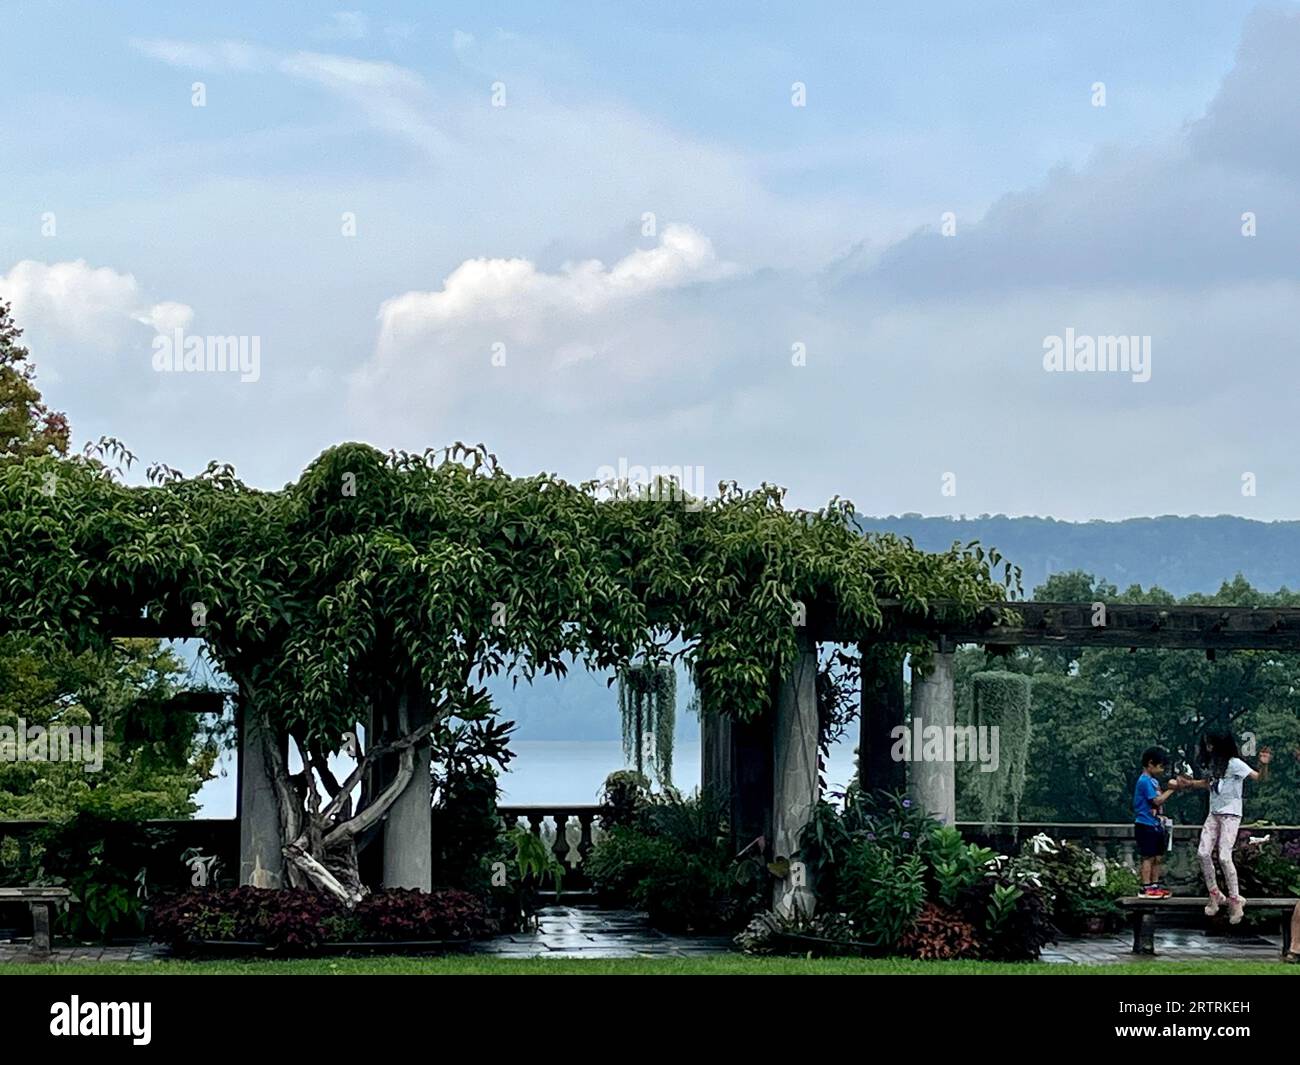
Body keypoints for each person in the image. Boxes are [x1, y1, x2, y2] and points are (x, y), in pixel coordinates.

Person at [1174, 732, 1271, 923]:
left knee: (1225, 857)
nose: (1208, 748)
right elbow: (1210, 783)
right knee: (1203, 854)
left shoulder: (1235, 763)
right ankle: (1215, 894)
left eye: (1211, 744)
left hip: (1230, 815)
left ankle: (1235, 900)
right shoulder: (1213, 764)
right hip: (1214, 813)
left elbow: (1259, 778)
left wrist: (1264, 763)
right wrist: (1189, 784)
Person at [1134, 746, 1178, 897]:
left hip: (1155, 824)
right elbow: (1157, 801)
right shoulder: (1144, 781)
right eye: (1160, 766)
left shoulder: (1152, 781)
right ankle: (1146, 886)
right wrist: (1171, 790)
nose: (1162, 770)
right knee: (1148, 856)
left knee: (1158, 856)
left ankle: (1155, 884)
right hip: (1145, 824)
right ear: (1151, 763)